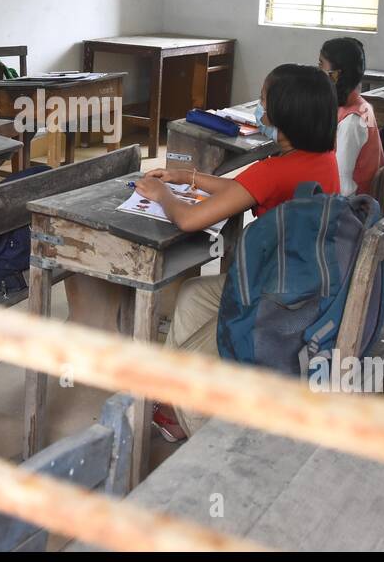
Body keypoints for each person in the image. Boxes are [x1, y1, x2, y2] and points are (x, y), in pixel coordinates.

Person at [137, 64, 340, 442]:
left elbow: (190, 220)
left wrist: (163, 194)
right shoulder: (322, 159)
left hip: (275, 302)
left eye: (264, 102)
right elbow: (242, 188)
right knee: (194, 294)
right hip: (304, 286)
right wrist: (188, 178)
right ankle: (175, 404)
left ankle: (198, 423)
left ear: (284, 114)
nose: (259, 111)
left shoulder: (276, 171)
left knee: (200, 345)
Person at [319, 36, 384, 196]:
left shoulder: (352, 121)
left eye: (321, 65)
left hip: (353, 209)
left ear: (335, 74)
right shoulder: (360, 105)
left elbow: (343, 184)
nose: (318, 72)